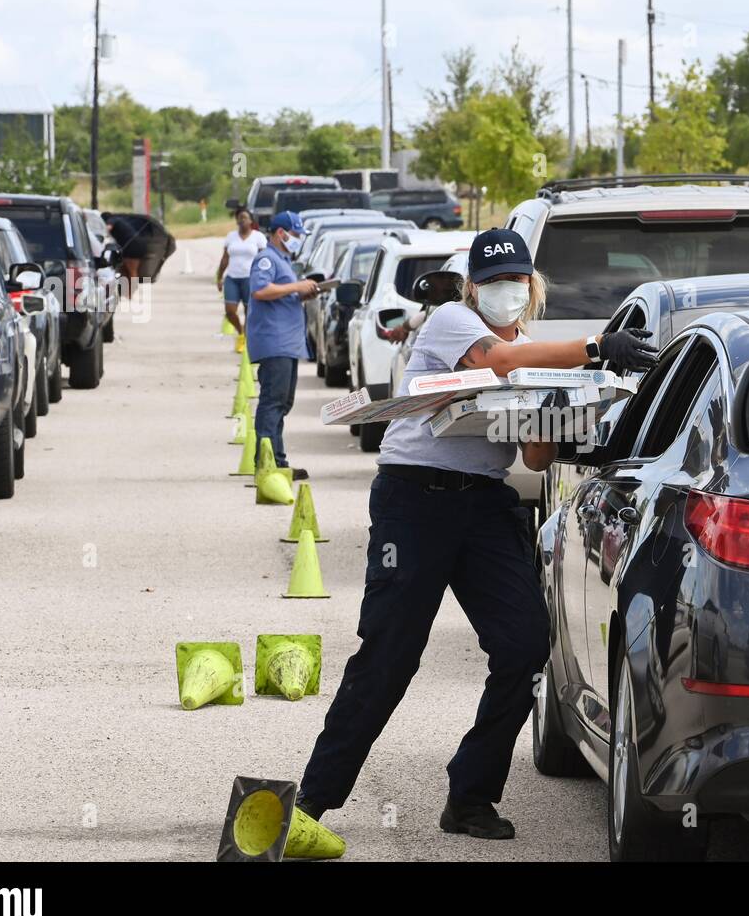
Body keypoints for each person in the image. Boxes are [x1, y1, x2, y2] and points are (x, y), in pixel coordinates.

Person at [296, 228, 656, 840]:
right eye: (492, 283)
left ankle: (470, 797)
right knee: (391, 656)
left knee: (523, 648)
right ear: (472, 289)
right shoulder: (450, 324)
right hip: (415, 499)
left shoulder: (534, 348)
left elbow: (537, 457)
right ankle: (311, 803)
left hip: (485, 507)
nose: (505, 293)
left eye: (515, 281)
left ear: (531, 285)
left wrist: (575, 416)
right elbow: (496, 363)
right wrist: (597, 348)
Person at [246, 211, 323, 480]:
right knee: (273, 402)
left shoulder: (283, 261)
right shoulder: (267, 259)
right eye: (297, 235)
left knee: (283, 402)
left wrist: (302, 292)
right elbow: (260, 290)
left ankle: (277, 459)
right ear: (282, 233)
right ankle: (267, 462)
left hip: (286, 343)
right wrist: (296, 286)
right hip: (274, 342)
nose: (299, 240)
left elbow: (281, 295)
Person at [216, 207, 267, 335]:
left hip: (250, 278)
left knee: (248, 310)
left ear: (251, 221)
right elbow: (225, 258)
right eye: (239, 217)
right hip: (232, 278)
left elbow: (264, 259)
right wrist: (219, 277)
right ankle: (240, 331)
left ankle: (246, 336)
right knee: (230, 311)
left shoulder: (258, 237)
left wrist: (264, 278)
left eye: (244, 217)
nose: (241, 220)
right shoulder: (231, 237)